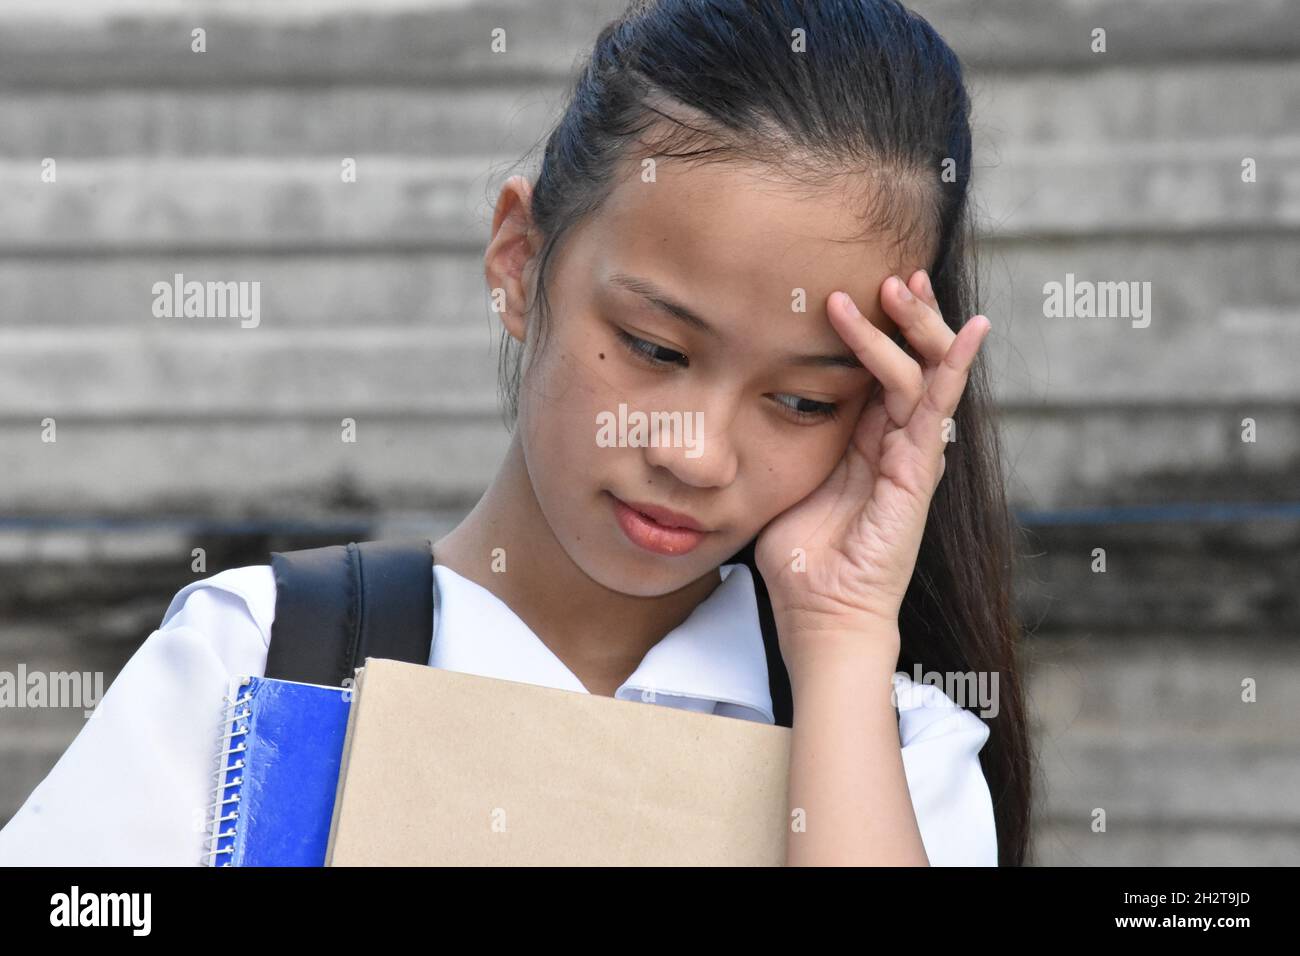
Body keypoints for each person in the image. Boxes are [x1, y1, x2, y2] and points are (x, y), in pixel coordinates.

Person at [0, 0, 1029, 866]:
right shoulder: (259, 661)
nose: (695, 450)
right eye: (654, 347)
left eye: (803, 401)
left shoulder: (885, 753)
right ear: (519, 259)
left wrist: (844, 635)